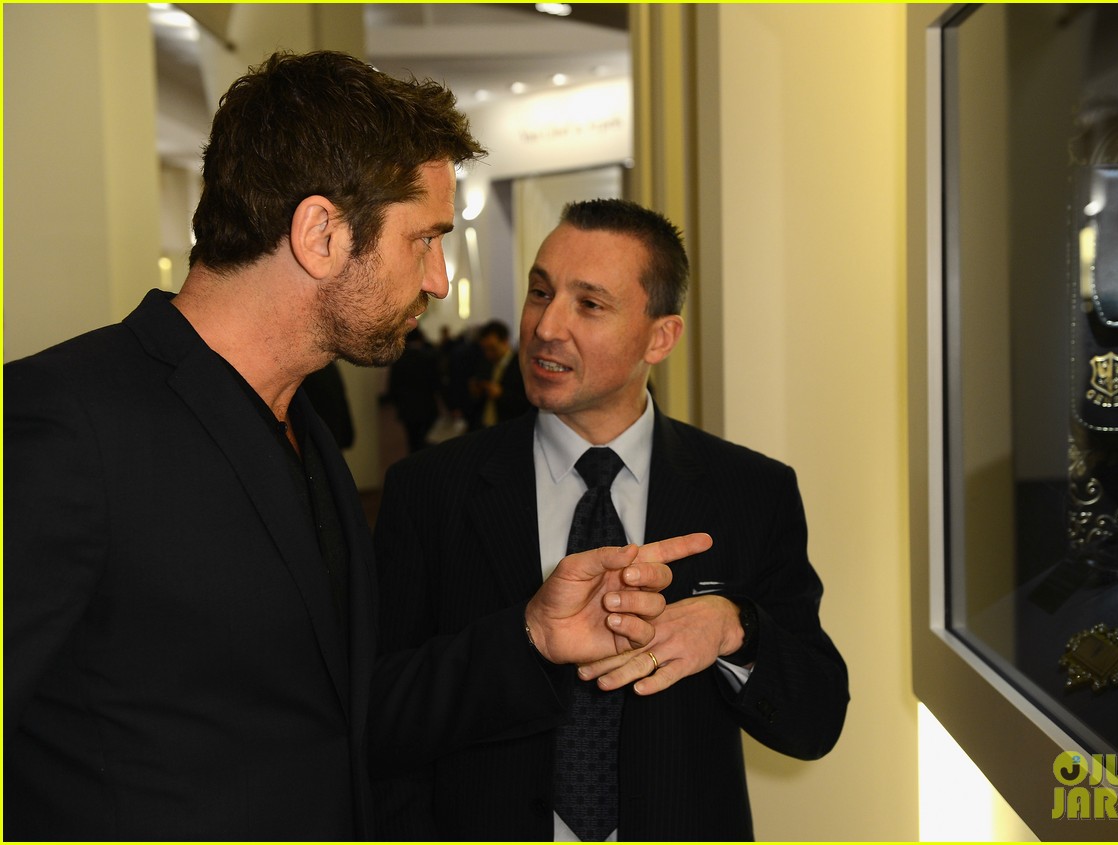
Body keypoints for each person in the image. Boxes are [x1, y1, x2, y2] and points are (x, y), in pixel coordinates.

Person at [2, 53, 710, 841]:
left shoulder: (305, 437)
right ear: (321, 234)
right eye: (424, 240)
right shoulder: (62, 420)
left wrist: (532, 635)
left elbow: (347, 708)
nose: (441, 279)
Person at [373, 198, 849, 840]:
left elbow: (816, 718)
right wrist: (523, 639)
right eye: (541, 292)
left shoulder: (750, 492)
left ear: (660, 337)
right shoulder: (431, 490)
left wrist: (735, 629)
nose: (546, 326)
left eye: (589, 305)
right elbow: (383, 710)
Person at [471, 318, 531, 428]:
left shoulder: (521, 365)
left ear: (505, 341)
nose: (488, 353)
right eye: (485, 349)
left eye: (492, 348)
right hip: (485, 425)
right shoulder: (485, 363)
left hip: (509, 426)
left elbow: (527, 403)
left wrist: (501, 394)